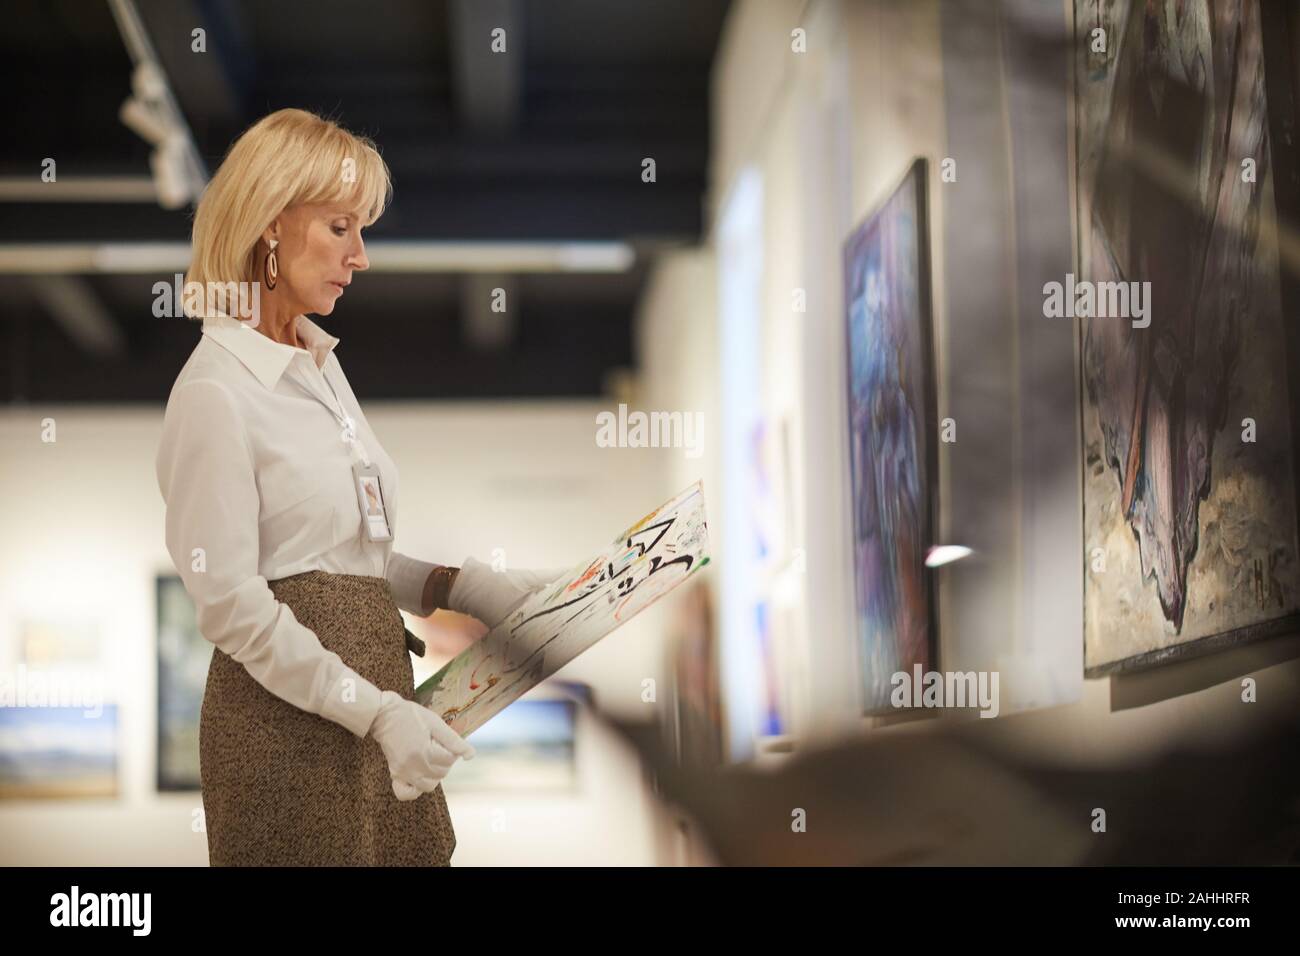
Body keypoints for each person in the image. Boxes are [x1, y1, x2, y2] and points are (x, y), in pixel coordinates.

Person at [155, 108, 563, 866]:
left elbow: (341, 556)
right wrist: (375, 714)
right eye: (342, 227)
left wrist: (459, 586)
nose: (362, 257)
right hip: (288, 731)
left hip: (374, 700)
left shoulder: (320, 366)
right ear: (272, 224)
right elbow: (233, 605)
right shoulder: (215, 391)